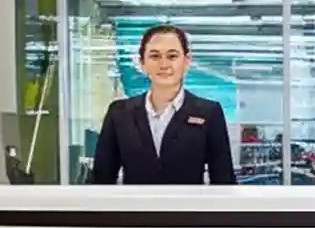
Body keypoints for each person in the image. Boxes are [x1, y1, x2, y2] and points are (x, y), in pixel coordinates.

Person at [91, 24, 237, 185]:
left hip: (187, 209)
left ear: (186, 61)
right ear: (142, 63)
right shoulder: (119, 113)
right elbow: (101, 179)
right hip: (134, 209)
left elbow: (224, 180)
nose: (164, 64)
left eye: (172, 56)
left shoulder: (209, 113)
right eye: (155, 56)